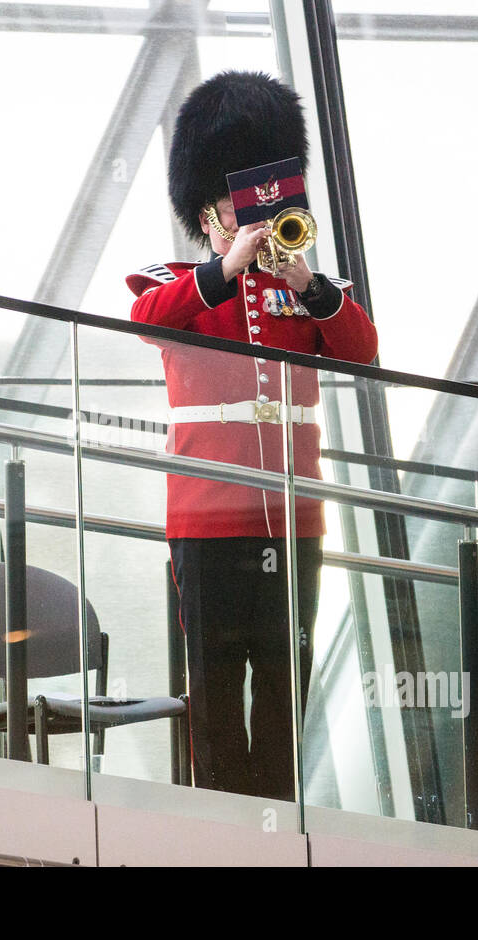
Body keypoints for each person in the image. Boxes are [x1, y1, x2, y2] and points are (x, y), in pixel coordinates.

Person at [125, 71, 378, 800]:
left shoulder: (302, 293)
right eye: (236, 216)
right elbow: (147, 325)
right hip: (207, 520)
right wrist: (224, 270)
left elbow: (361, 350)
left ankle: (276, 826)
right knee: (212, 692)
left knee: (281, 688)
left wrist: (309, 284)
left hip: (293, 521)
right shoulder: (178, 284)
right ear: (209, 215)